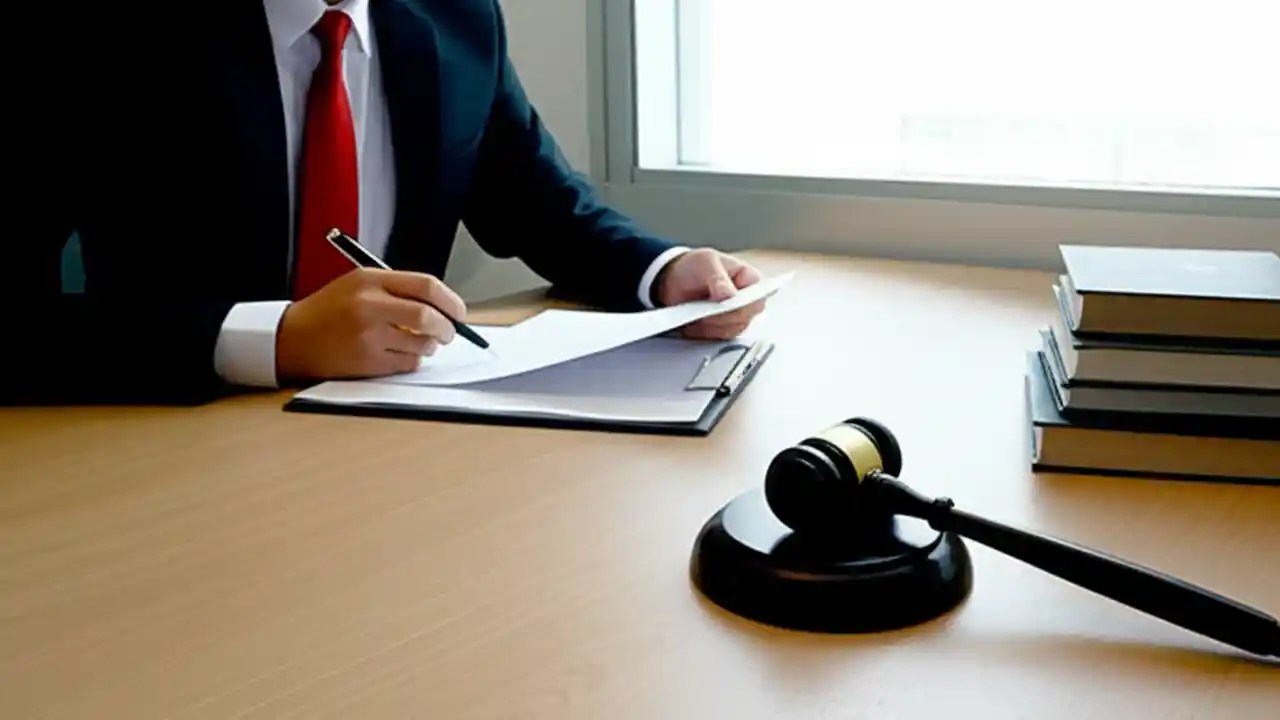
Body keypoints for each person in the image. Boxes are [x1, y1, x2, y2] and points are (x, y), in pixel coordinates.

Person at [7, 0, 766, 405]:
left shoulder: (458, 17)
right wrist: (277, 339)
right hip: (161, 441)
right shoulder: (98, 36)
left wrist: (663, 272)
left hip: (396, 438)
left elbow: (542, 204)